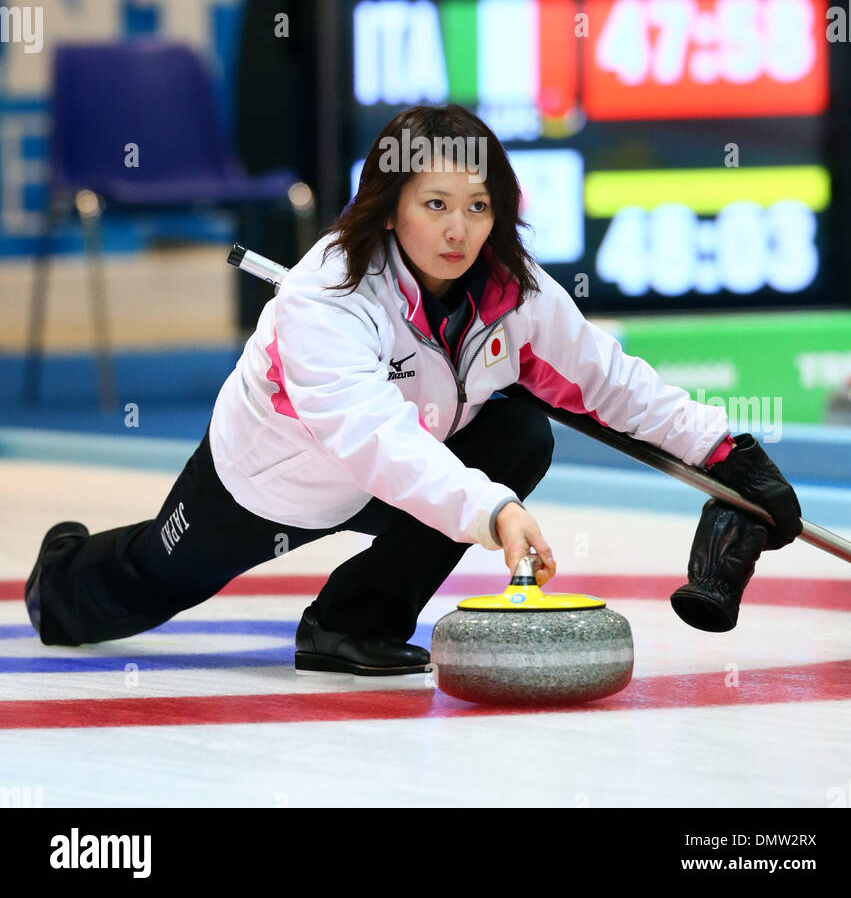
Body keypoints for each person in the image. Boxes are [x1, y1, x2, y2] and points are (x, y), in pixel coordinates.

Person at [25, 104, 802, 674]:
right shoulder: (326, 295)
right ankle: (55, 582)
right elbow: (374, 440)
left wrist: (728, 452)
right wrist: (489, 509)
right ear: (390, 207)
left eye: (478, 206)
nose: (459, 230)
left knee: (520, 435)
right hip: (270, 486)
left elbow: (607, 379)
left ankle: (350, 624)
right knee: (148, 582)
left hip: (406, 467)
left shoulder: (514, 291)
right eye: (436, 205)